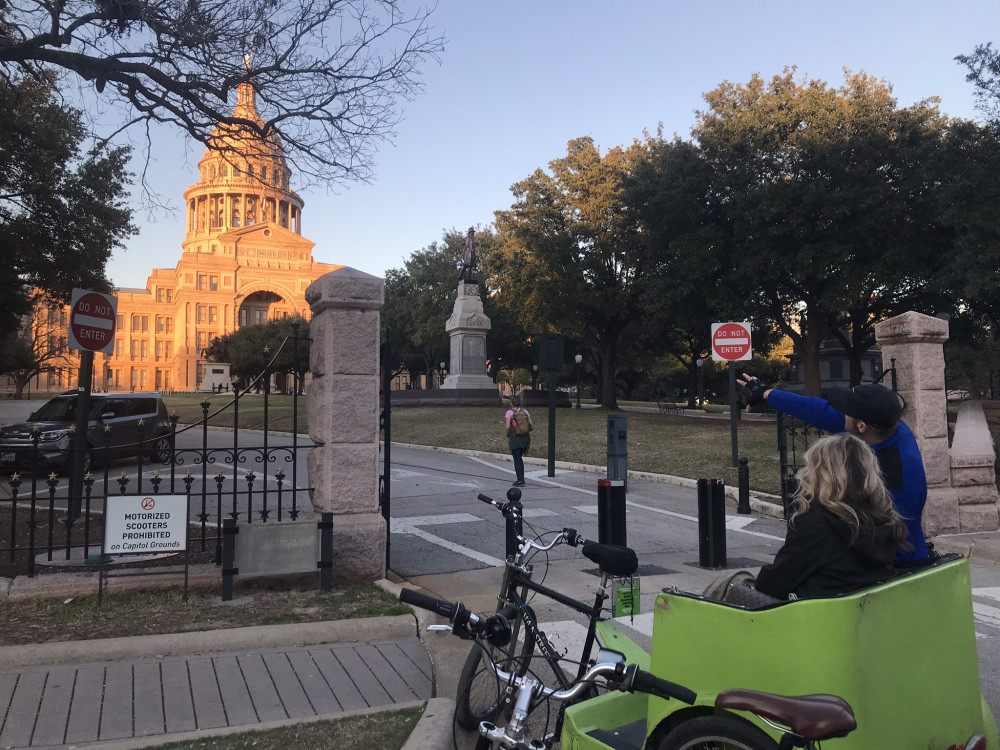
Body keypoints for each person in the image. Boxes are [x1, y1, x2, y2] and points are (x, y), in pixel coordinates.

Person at [739, 375, 929, 563]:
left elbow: (891, 536)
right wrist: (767, 393)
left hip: (896, 567)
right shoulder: (885, 424)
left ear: (861, 426)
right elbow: (819, 411)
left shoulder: (898, 474)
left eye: (846, 411)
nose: (840, 413)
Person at [752, 433, 909, 600]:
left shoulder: (816, 525)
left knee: (729, 582)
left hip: (814, 618)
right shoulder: (885, 521)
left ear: (820, 475)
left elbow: (772, 584)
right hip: (864, 616)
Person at [505, 394, 532, 487]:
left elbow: (508, 426)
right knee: (519, 458)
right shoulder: (525, 411)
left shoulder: (509, 413)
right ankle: (522, 478)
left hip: (515, 439)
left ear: (511, 403)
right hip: (525, 438)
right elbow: (530, 424)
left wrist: (508, 433)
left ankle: (520, 480)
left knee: (517, 459)